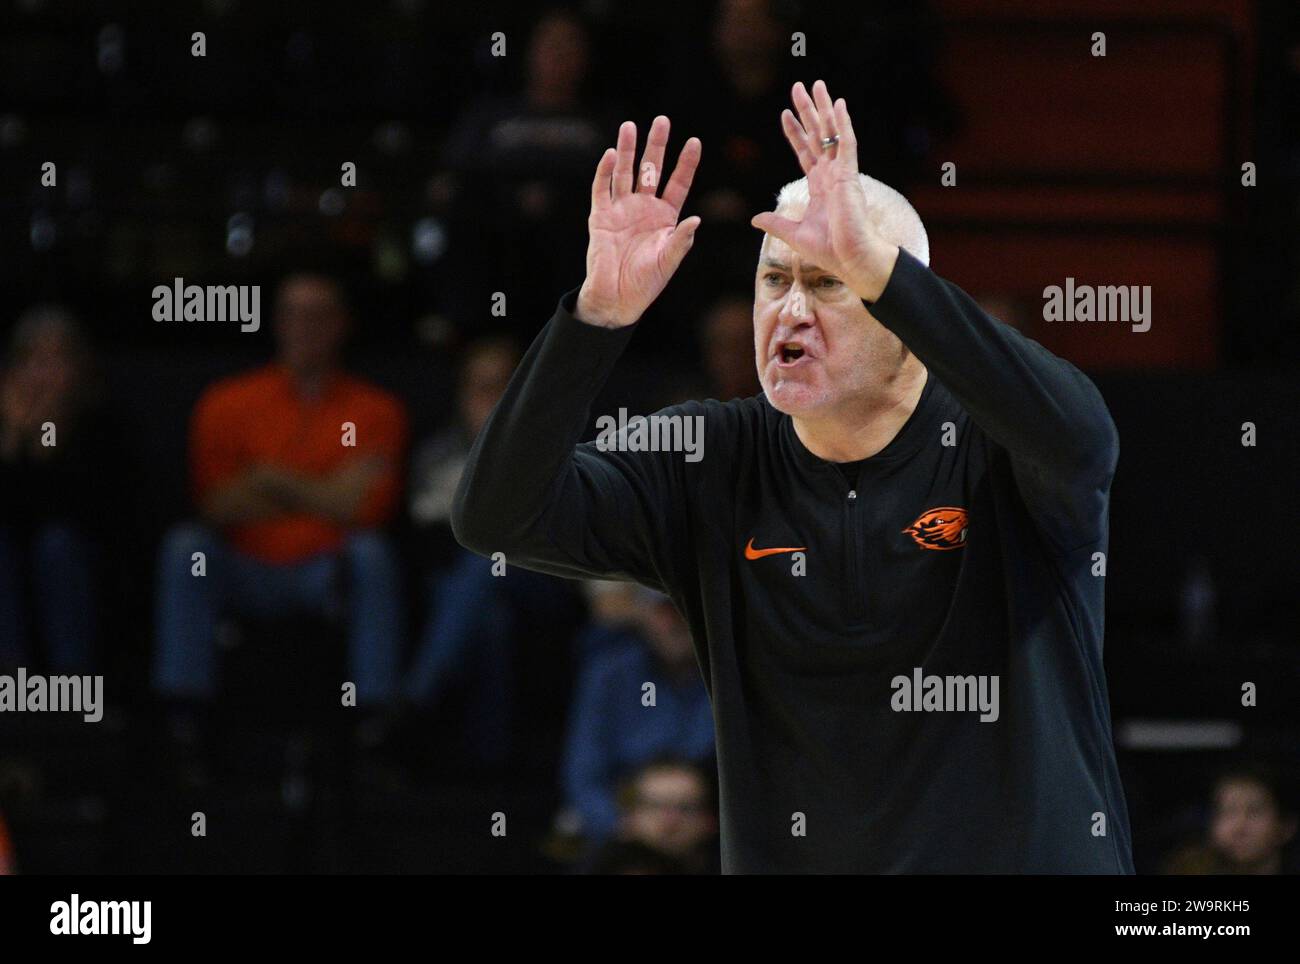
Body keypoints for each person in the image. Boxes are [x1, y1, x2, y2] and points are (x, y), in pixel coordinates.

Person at [452, 80, 1133, 873]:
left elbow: (1084, 443)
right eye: (776, 280)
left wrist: (884, 270)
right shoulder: (713, 458)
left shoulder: (995, 442)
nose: (792, 310)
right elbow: (498, 518)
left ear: (904, 307)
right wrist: (594, 320)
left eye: (831, 282)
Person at [153, 273, 408, 716]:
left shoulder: (376, 410)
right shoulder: (226, 402)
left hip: (326, 571)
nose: (305, 327)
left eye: (319, 315)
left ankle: (374, 721)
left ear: (343, 323)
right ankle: (183, 719)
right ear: (276, 322)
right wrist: (326, 490)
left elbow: (365, 509)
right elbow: (214, 505)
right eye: (293, 314)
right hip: (243, 566)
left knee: (372, 554)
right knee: (186, 548)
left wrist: (268, 479)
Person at [0, 307, 117, 672]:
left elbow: (88, 513)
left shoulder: (101, 424)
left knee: (56, 546)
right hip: (14, 557)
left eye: (55, 360)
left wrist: (44, 445)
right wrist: (14, 440)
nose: (43, 374)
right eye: (32, 360)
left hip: (86, 556)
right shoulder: (6, 425)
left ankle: (72, 682)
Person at [561, 588, 714, 842]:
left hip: (707, 827)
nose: (675, 622)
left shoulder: (729, 677)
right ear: (642, 614)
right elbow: (583, 774)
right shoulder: (609, 674)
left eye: (685, 612)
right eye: (664, 611)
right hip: (624, 828)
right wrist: (623, 827)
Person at [584, 758, 720, 875]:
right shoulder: (597, 867)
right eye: (656, 806)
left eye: (686, 808)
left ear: (710, 820)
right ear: (629, 816)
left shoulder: (733, 864)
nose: (670, 821)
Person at [1163, 767, 1298, 874]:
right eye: (1228, 812)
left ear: (1286, 827)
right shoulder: (1188, 869)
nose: (1239, 827)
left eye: (1255, 812)